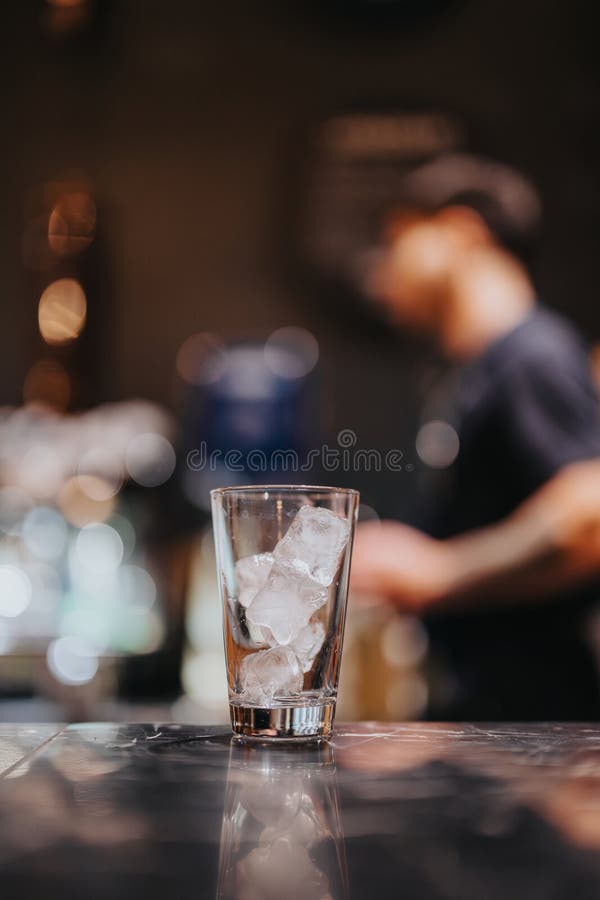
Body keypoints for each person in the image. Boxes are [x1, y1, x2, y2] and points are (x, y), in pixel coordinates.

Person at [351, 154, 600, 719]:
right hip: (499, 720)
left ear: (462, 232)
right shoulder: (477, 371)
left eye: (399, 241)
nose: (383, 271)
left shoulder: (534, 356)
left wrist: (438, 572)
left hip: (542, 730)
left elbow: (592, 514)